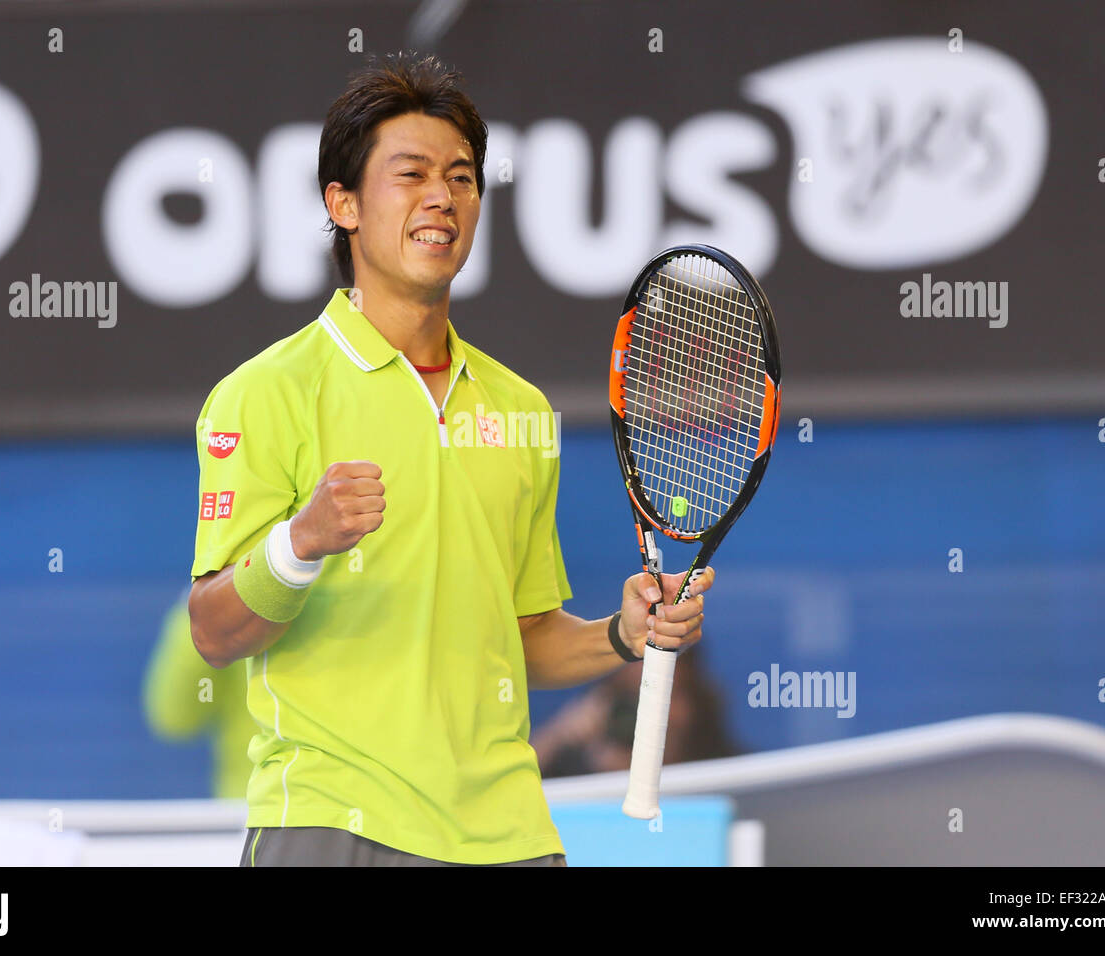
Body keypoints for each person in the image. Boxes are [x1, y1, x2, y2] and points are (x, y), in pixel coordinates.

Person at [186, 51, 717, 867]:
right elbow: (215, 632)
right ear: (344, 203)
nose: (443, 196)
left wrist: (622, 633)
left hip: (508, 839)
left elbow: (524, 637)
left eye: (462, 177)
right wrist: (302, 542)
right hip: (335, 823)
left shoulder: (522, 411)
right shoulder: (263, 394)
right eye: (412, 174)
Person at [532, 646, 745, 778]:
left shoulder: (729, 772)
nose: (649, 711)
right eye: (634, 695)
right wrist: (559, 734)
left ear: (694, 701)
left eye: (665, 692)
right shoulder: (578, 773)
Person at [141, 589, 251, 799]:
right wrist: (201, 611)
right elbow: (175, 718)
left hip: (258, 809)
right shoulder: (239, 597)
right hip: (248, 811)